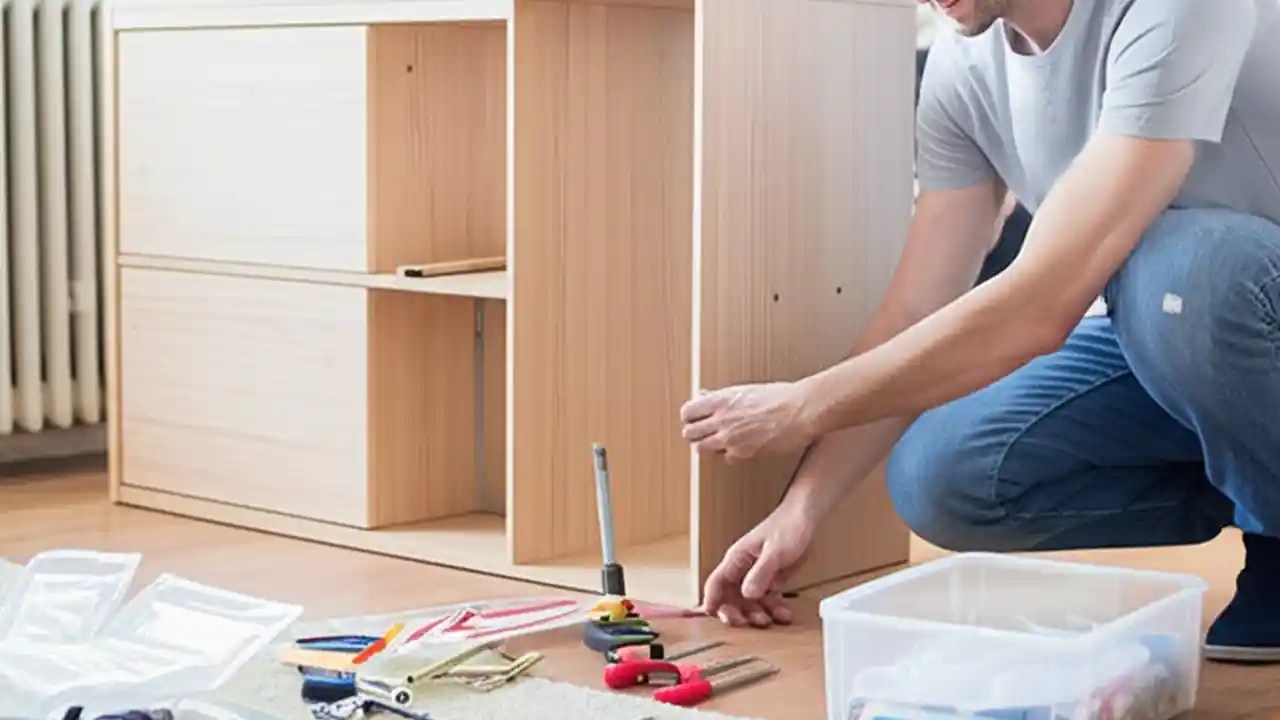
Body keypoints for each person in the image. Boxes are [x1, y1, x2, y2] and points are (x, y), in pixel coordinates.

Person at [680, 0, 1280, 663]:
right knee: (940, 475)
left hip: (1213, 302)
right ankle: (1259, 483)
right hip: (1192, 344)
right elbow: (915, 312)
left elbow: (1047, 299)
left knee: (1182, 273)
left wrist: (804, 404)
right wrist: (802, 508)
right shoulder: (962, 69)